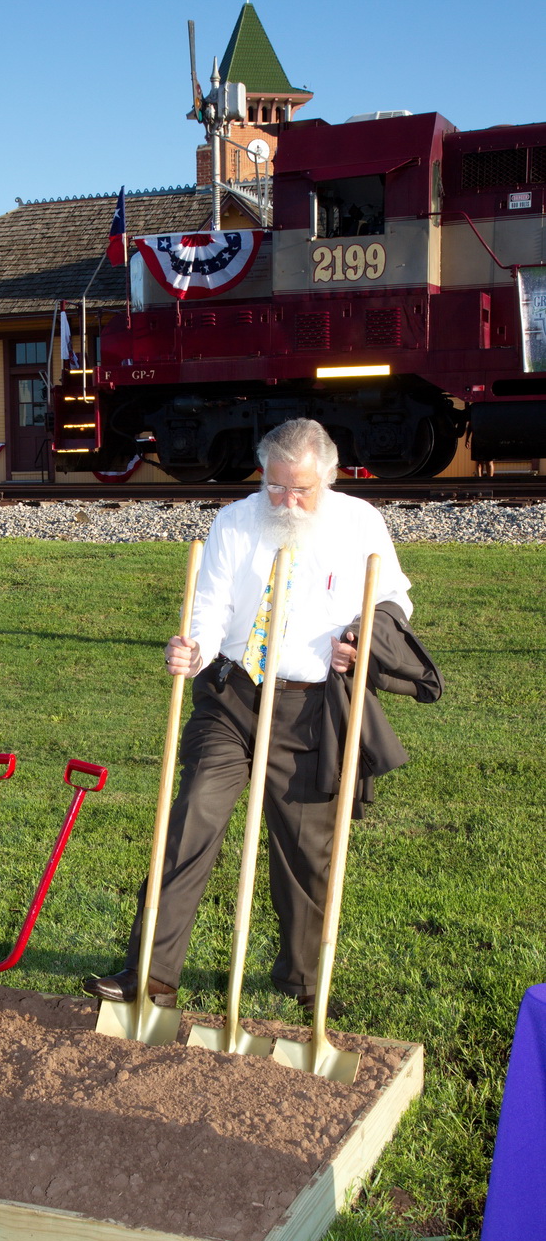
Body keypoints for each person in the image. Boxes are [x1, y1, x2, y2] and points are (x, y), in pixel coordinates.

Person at [83, 418, 426, 1015]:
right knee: (191, 818)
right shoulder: (235, 521)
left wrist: (360, 635)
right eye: (275, 486)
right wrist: (194, 647)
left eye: (302, 490)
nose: (288, 502)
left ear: (330, 476)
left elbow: (394, 597)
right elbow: (211, 604)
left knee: (305, 851)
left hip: (311, 705)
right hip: (233, 697)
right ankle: (151, 974)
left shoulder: (359, 523)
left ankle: (304, 982)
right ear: (262, 473)